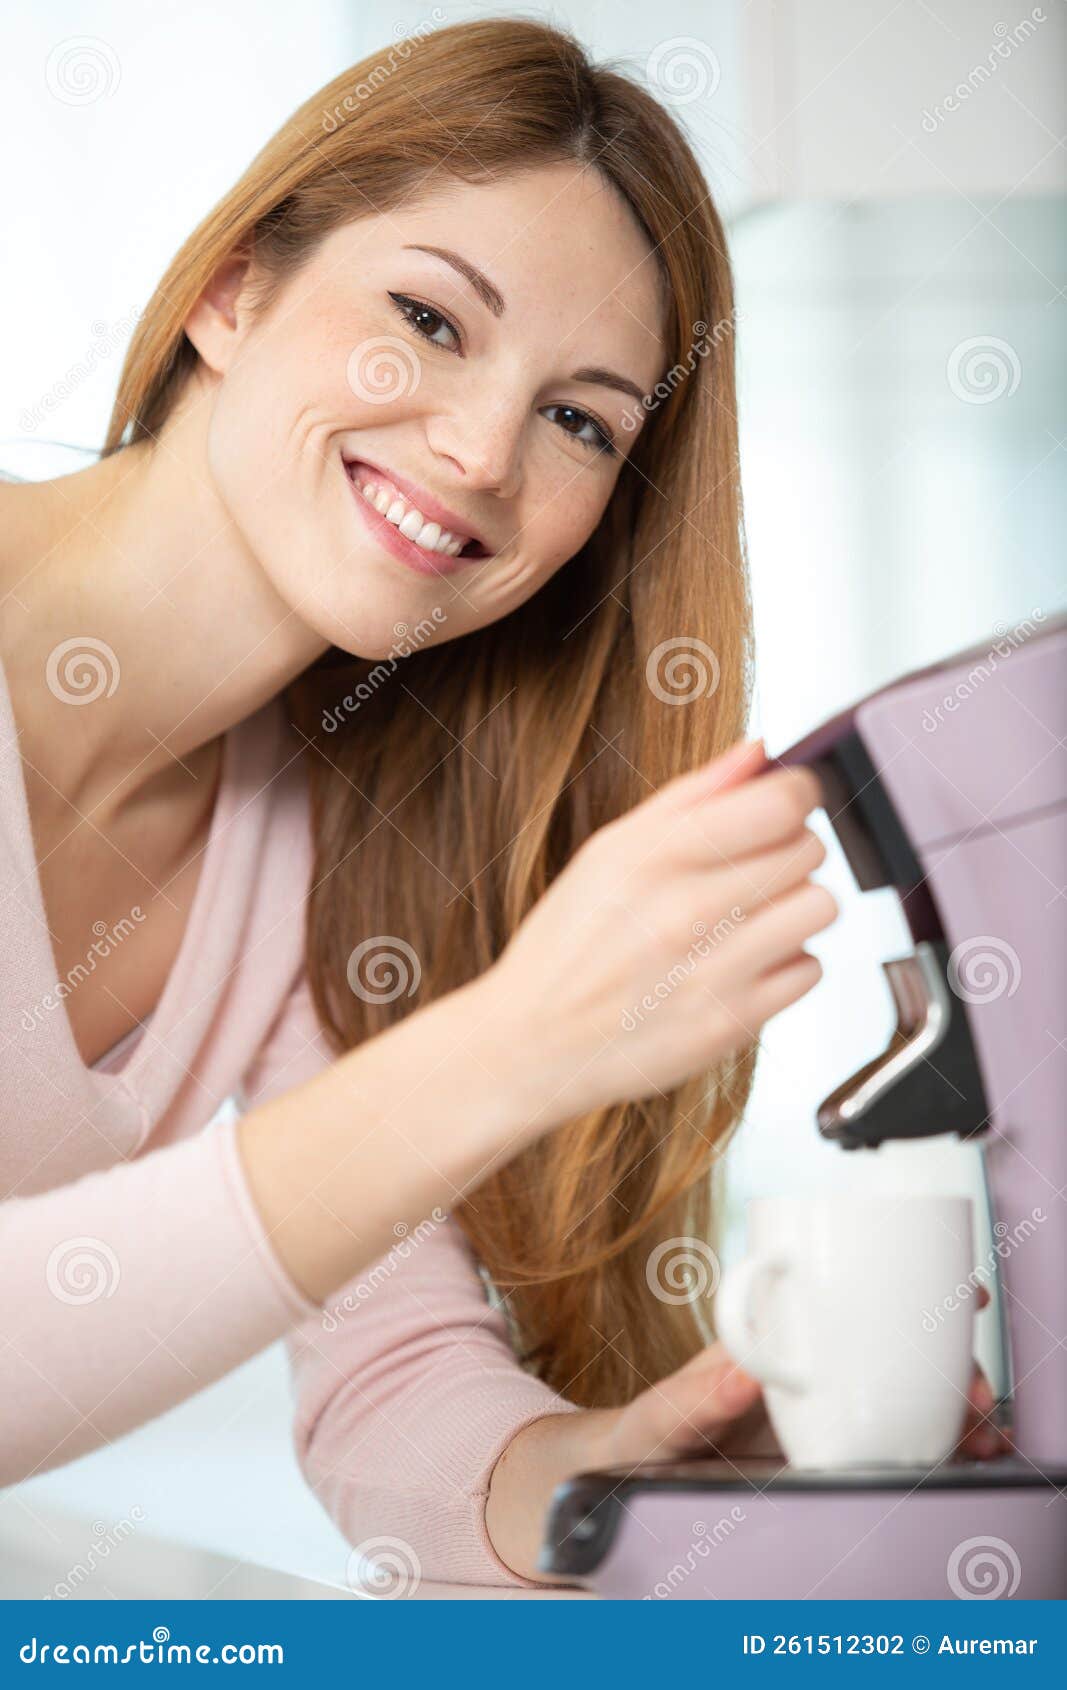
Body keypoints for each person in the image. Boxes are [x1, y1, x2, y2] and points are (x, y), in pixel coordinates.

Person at [0, 16, 1002, 1588]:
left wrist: (608, 1488)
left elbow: (395, 1373)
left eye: (581, 419)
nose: (478, 453)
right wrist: (516, 1042)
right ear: (232, 287)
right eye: (429, 317)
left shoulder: (322, 826)